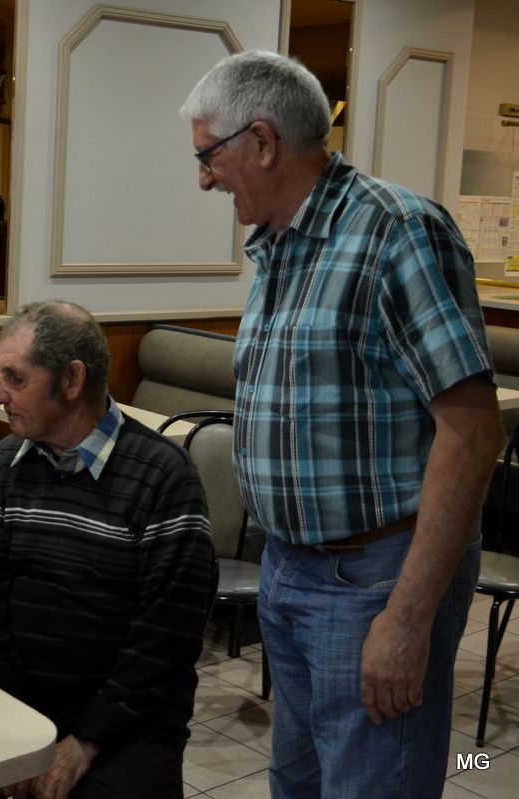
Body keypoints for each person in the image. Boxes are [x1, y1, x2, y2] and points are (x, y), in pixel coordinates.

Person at [180, 50, 506, 799]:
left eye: (208, 155)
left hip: (375, 577)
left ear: (262, 142)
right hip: (289, 566)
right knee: (299, 782)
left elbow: (472, 432)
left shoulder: (398, 231)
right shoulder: (280, 243)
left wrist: (407, 617)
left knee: (373, 783)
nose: (204, 178)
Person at [0, 301, 215, 799]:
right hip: (23, 702)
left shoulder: (164, 477)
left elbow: (167, 637)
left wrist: (84, 742)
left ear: (72, 380)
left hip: (128, 721)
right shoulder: (3, 464)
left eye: (14, 377)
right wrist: (21, 727)